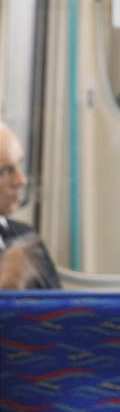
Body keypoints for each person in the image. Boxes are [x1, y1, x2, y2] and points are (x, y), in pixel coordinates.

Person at [0, 122, 61, 289]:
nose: (21, 180)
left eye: (20, 165)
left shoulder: (26, 235)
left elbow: (60, 310)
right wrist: (6, 288)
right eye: (6, 171)